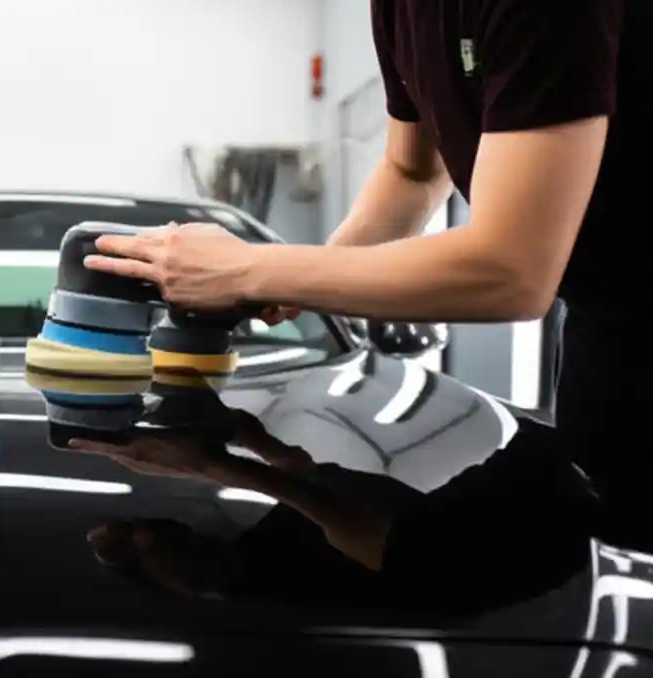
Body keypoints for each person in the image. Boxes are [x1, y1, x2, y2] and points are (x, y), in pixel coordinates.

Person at [85, 0, 649, 528]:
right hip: (601, 332)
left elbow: (511, 270)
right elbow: (412, 172)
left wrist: (247, 269)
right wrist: (298, 279)